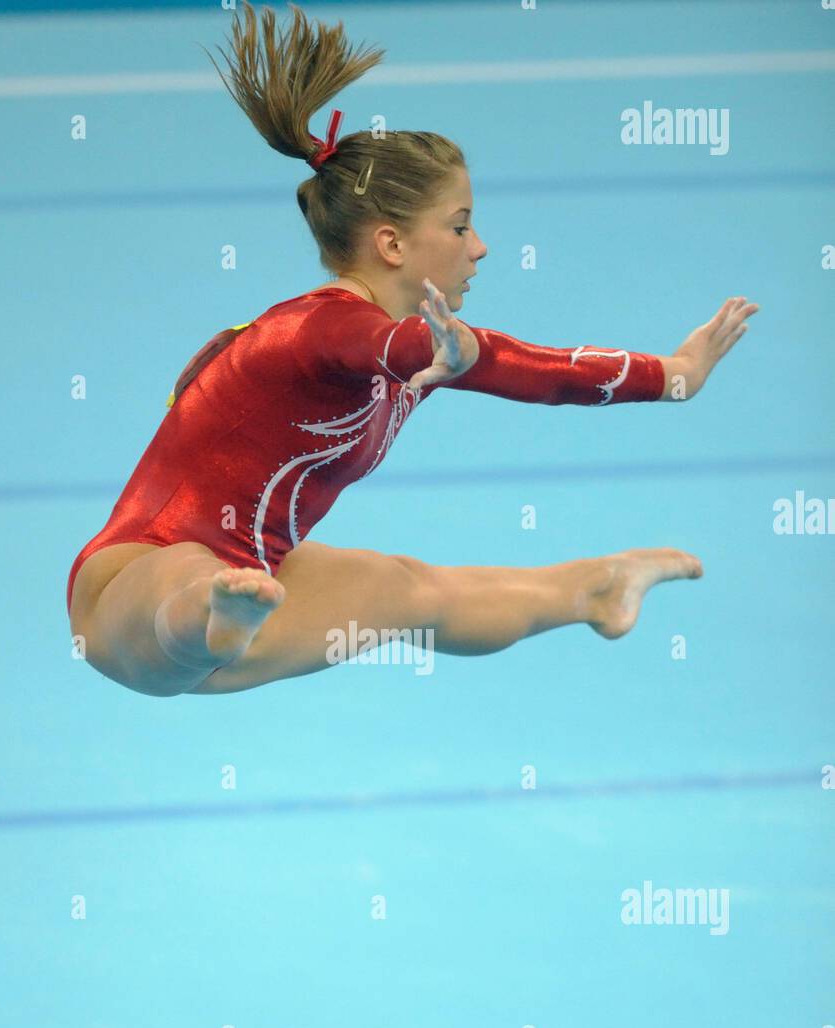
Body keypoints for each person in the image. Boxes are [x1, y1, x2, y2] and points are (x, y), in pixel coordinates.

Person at [66, 1, 758, 698]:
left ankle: (594, 588)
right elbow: (377, 344)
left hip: (257, 586)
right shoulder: (317, 329)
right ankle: (213, 616)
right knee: (186, 569)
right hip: (124, 591)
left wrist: (675, 372)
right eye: (459, 227)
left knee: (409, 589)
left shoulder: (427, 351)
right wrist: (437, 353)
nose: (479, 247)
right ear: (392, 243)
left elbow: (540, 371)